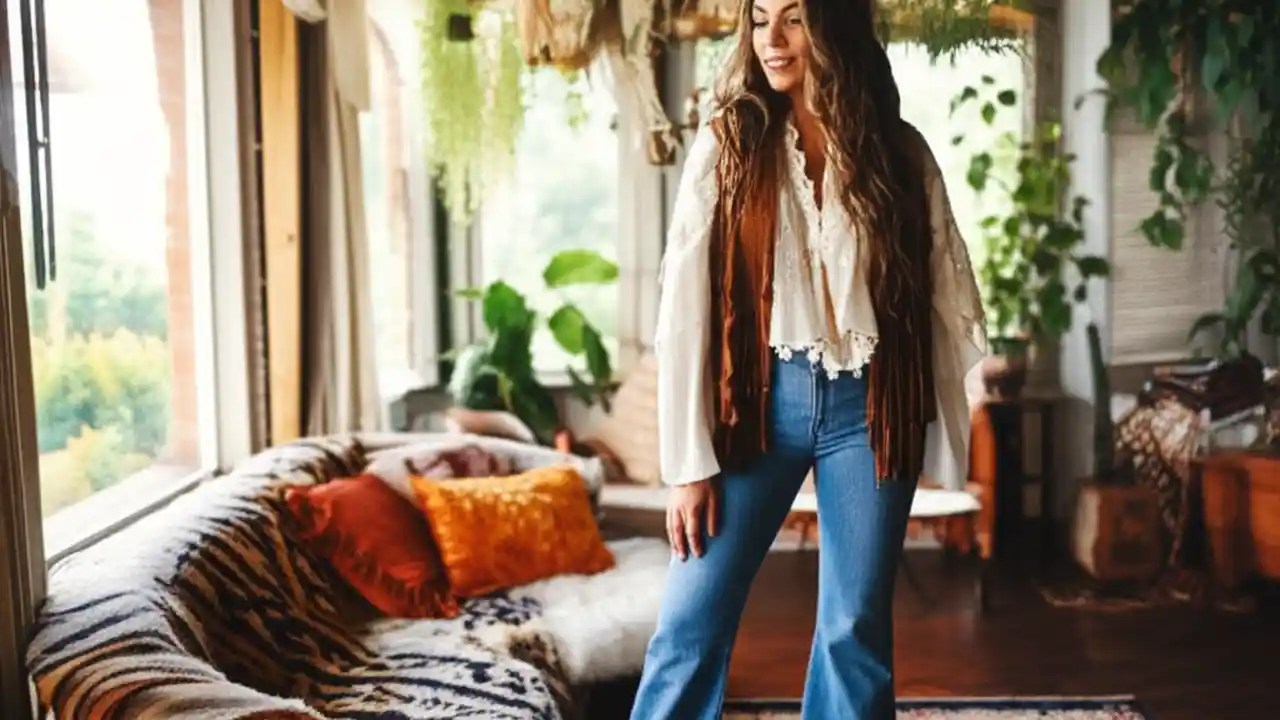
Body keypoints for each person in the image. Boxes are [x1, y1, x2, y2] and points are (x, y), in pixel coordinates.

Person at [629, 0, 988, 718]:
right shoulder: (728, 143)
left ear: (835, 27)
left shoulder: (900, 150)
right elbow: (683, 312)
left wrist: (938, 427)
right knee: (689, 623)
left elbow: (942, 296)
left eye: (794, 18)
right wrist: (687, 464)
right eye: (760, 19)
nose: (772, 40)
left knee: (856, 630)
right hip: (755, 407)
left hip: (869, 410)